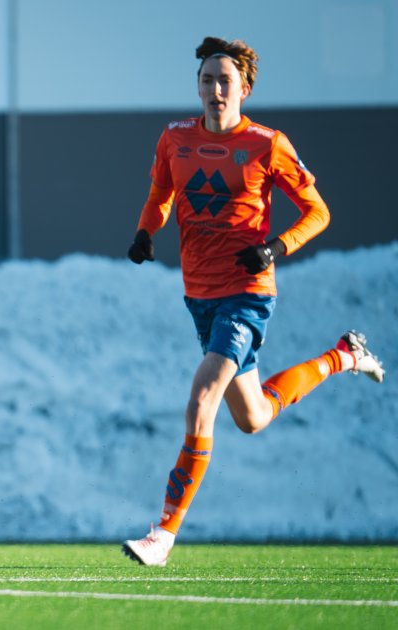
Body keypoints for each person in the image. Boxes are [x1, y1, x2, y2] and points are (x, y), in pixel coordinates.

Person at [121, 37, 385, 567]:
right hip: (199, 296)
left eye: (225, 81)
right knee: (254, 416)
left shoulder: (268, 144)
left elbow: (318, 211)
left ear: (244, 88)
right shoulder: (174, 139)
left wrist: (275, 247)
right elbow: (160, 195)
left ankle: (163, 535)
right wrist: (147, 232)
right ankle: (344, 355)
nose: (215, 90)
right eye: (206, 80)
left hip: (246, 296)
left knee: (202, 400)